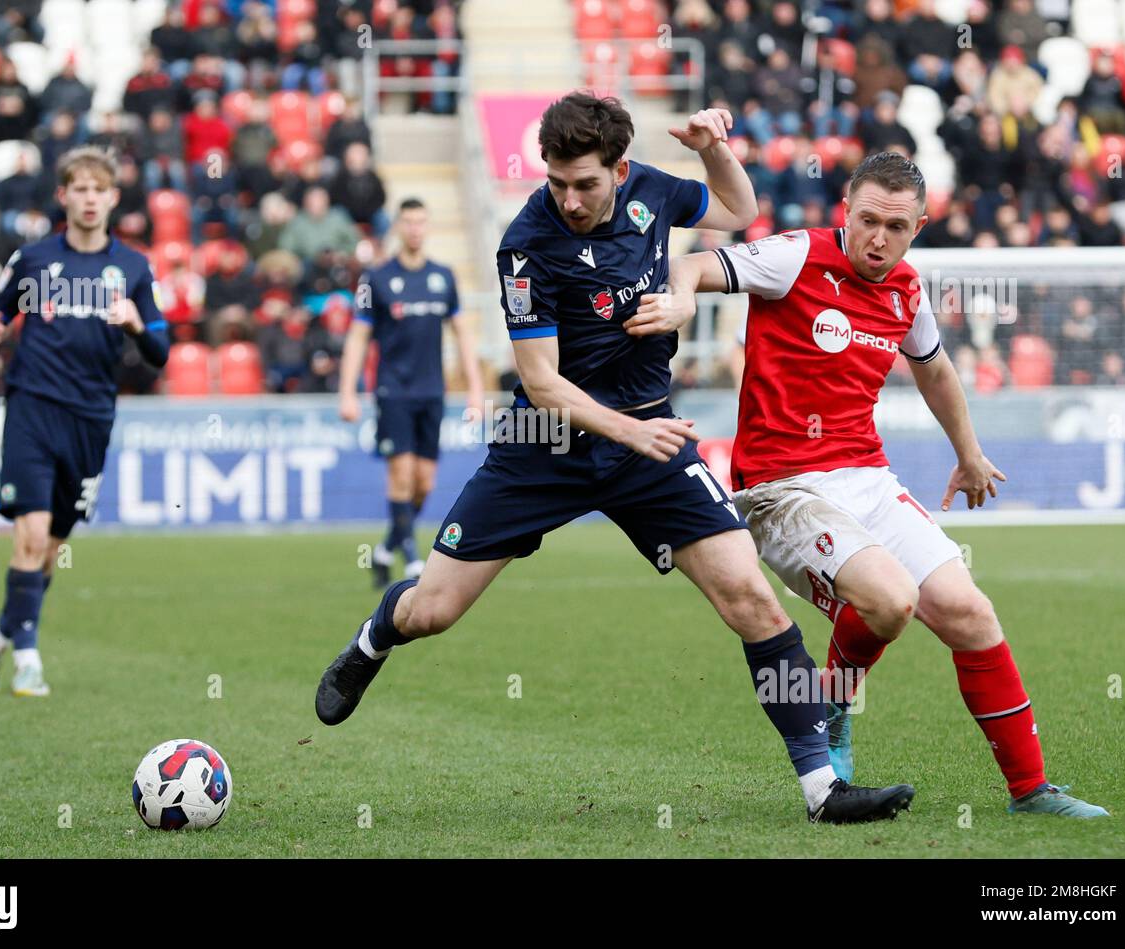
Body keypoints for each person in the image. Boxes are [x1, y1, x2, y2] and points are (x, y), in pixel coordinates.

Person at [315, 94, 918, 824]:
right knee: (433, 610)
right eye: (557, 182)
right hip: (545, 447)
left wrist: (709, 147)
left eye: (586, 184)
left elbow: (739, 206)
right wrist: (629, 432)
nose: (569, 199)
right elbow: (540, 380)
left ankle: (823, 789)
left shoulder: (653, 193)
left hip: (648, 443)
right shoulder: (525, 244)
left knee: (749, 597)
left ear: (621, 170)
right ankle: (373, 637)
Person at [650, 151, 1107, 818]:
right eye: (867, 220)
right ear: (846, 211)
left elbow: (936, 370)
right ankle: (834, 708)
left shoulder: (906, 291)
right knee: (891, 600)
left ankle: (1031, 791)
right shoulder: (795, 257)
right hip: (781, 486)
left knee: (969, 611)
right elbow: (692, 262)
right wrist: (687, 294)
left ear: (917, 226)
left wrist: (969, 454)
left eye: (895, 226)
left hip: (865, 474)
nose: (877, 238)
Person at [0, 146, 170, 698]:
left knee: (50, 548)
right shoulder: (33, 259)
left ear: (112, 198)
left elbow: (161, 351)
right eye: (78, 189)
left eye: (97, 190)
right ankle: (28, 659)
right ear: (63, 196)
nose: (88, 198)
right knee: (30, 534)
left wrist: (135, 325)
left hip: (91, 418)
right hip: (32, 407)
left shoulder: (132, 268)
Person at [338, 198, 484, 588]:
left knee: (424, 484)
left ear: (428, 226)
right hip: (393, 392)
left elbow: (463, 336)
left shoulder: (443, 277)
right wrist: (347, 392)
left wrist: (475, 389)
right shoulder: (376, 279)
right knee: (400, 477)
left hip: (431, 392)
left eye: (421, 222)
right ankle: (413, 560)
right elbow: (358, 336)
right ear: (399, 227)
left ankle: (385, 550)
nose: (415, 228)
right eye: (409, 222)